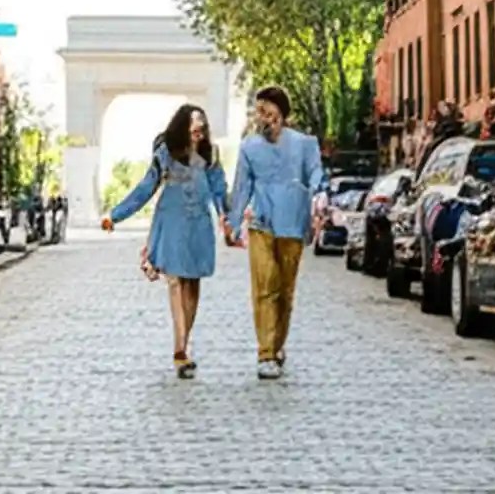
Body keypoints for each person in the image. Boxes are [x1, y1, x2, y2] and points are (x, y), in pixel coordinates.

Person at [101, 105, 228, 379]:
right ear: (182, 127)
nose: (198, 132)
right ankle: (179, 350)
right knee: (175, 282)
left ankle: (185, 343)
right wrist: (115, 215)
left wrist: (229, 220)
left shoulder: (210, 157)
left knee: (193, 284)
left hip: (198, 225)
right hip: (171, 223)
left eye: (202, 128)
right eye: (194, 127)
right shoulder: (165, 156)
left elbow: (220, 192)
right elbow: (144, 189)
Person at [228, 86, 328, 380]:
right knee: (264, 286)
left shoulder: (304, 144)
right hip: (261, 222)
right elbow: (242, 186)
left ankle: (277, 343)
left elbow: (316, 173)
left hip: (293, 223)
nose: (263, 117)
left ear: (281, 113)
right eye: (259, 111)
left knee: (285, 290)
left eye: (268, 110)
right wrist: (234, 223)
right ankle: (265, 352)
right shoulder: (249, 147)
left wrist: (318, 197)